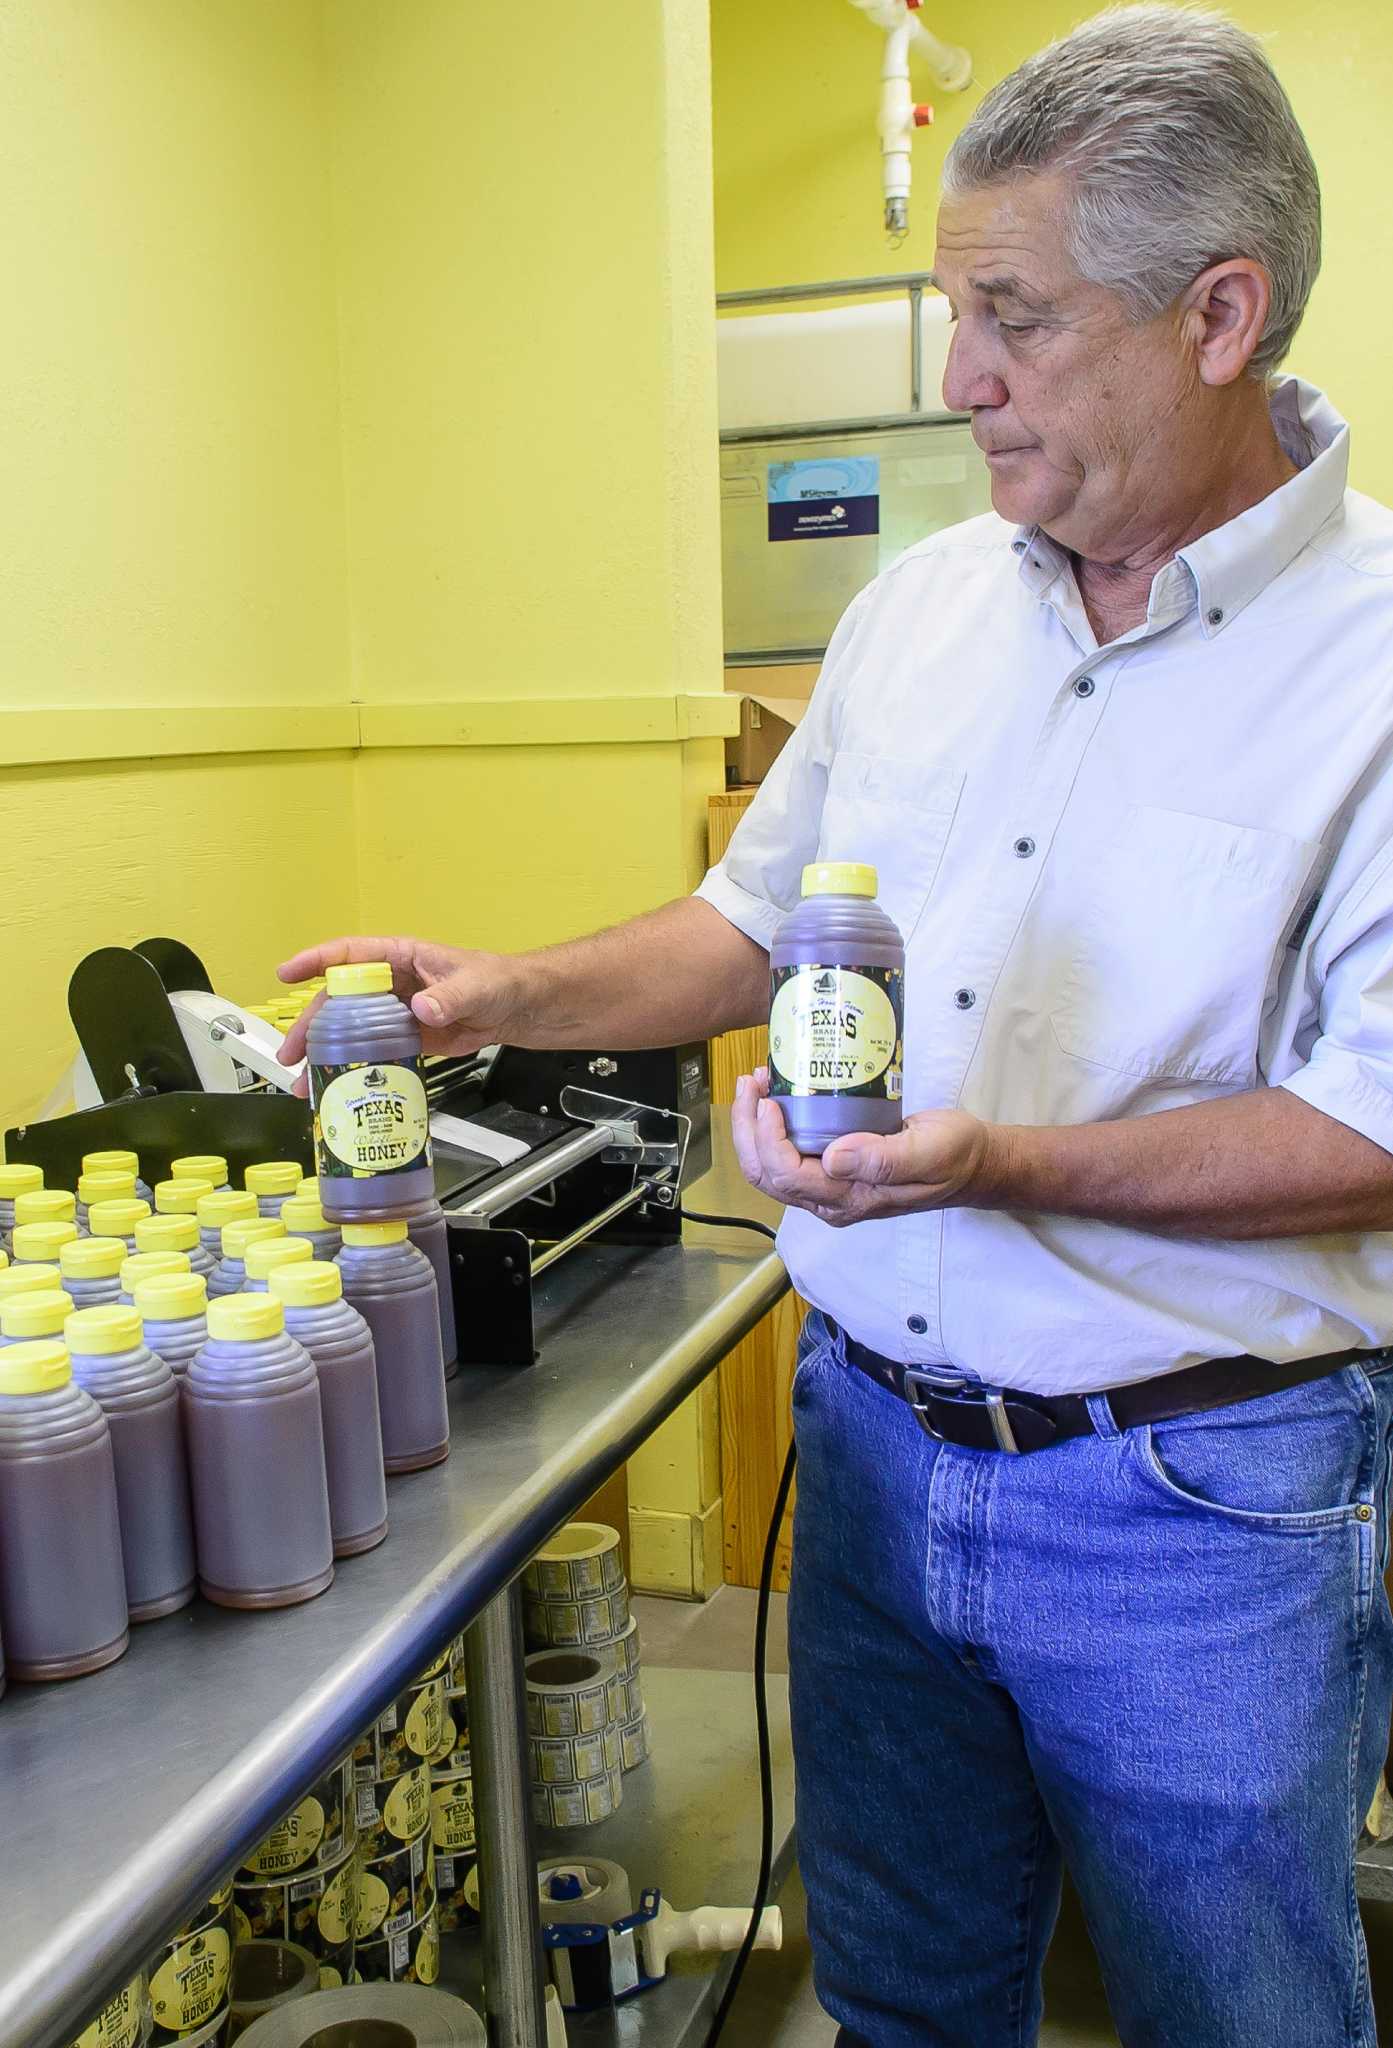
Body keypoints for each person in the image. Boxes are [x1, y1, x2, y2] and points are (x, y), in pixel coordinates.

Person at [280, 8, 1393, 2040]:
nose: (957, 378)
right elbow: (753, 917)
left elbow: (1378, 1126)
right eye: (949, 307)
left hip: (1191, 1509)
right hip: (871, 1457)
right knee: (903, 1995)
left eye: (1013, 317)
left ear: (1218, 313)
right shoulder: (926, 606)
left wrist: (1002, 1163)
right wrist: (502, 995)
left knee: (1241, 2015)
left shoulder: (1376, 662)